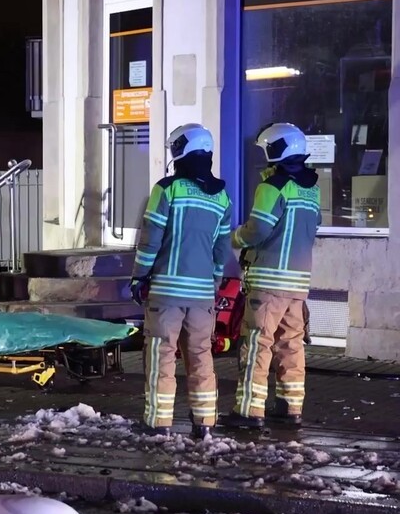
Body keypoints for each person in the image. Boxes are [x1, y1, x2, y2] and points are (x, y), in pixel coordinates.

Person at [129, 124, 232, 439]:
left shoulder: (167, 189)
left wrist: (139, 277)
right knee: (201, 356)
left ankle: (158, 422)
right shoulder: (222, 197)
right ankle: (205, 422)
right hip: (202, 296)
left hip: (167, 292)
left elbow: (150, 241)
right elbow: (221, 250)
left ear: (180, 151)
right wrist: (213, 286)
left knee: (161, 355)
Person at [223, 123, 320, 429]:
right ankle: (291, 408)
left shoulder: (272, 186)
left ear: (276, 149)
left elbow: (258, 229)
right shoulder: (312, 188)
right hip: (298, 283)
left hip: (268, 282)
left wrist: (234, 237)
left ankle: (249, 411)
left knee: (257, 345)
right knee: (291, 345)